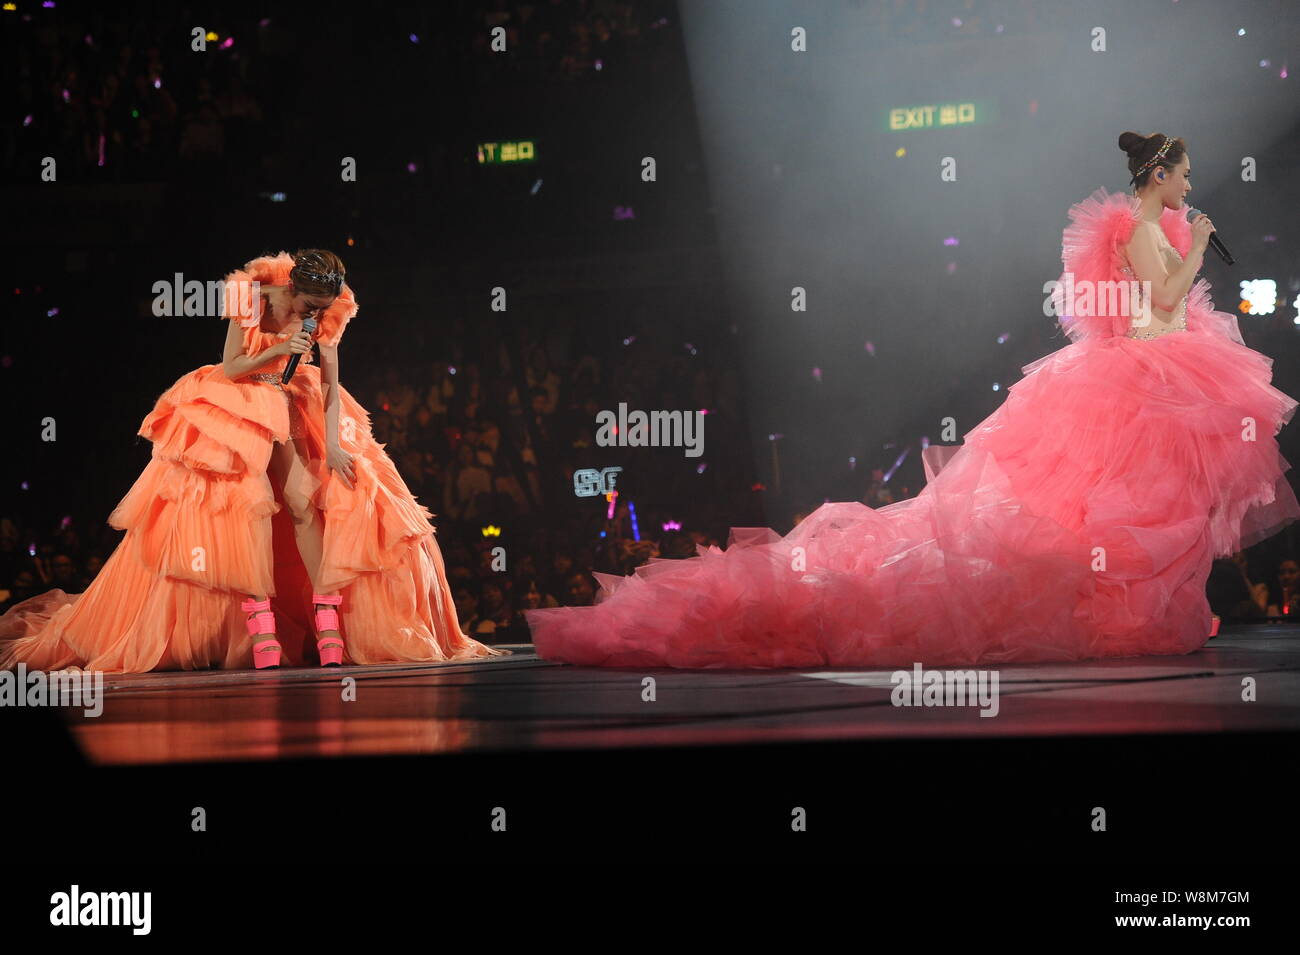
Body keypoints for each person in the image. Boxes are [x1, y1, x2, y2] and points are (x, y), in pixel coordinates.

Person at [525, 132, 1300, 668]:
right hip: (1140, 377)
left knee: (1149, 504)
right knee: (1121, 506)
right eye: (1185, 172)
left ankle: (1149, 612)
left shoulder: (1151, 222)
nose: (1191, 185)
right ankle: (1121, 613)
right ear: (1159, 173)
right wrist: (1195, 243)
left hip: (1161, 373)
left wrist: (1185, 244)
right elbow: (1163, 293)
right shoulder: (1141, 229)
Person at [0, 250, 507, 672]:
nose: (314, 314)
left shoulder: (327, 310)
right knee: (249, 506)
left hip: (291, 400)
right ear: (292, 288)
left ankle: (325, 613)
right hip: (238, 401)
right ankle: (258, 618)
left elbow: (330, 380)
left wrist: (332, 444)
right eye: (308, 303)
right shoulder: (253, 298)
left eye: (322, 307)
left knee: (304, 501)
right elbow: (231, 364)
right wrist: (281, 347)